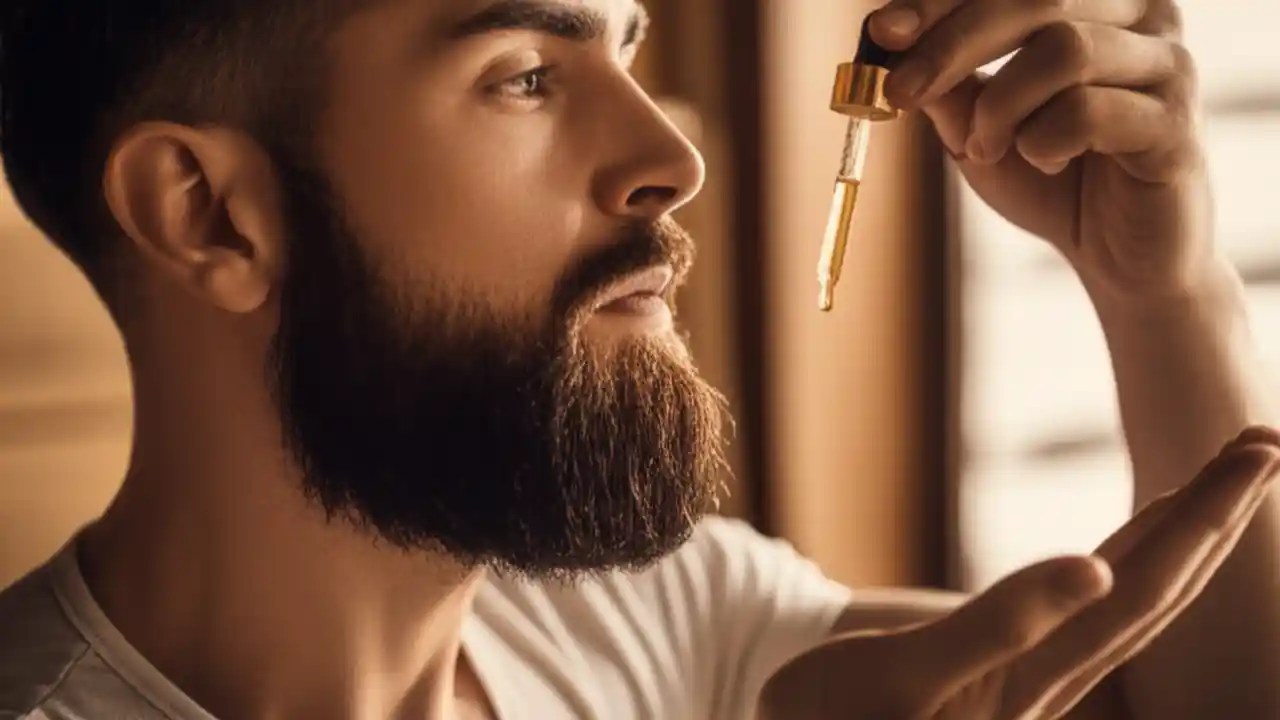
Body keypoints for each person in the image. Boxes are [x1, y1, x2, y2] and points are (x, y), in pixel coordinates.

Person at [1, 0, 1276, 717]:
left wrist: (1154, 289)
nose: (674, 158)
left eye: (624, 47)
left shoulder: (647, 616)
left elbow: (1197, 699)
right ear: (209, 211)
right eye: (522, 76)